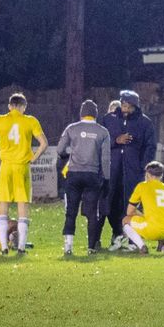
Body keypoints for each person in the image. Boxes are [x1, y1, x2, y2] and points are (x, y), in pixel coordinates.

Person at [0, 92, 47, 256]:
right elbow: (44, 143)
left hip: (6, 167)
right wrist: (33, 158)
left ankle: (4, 248)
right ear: (24, 107)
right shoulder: (30, 121)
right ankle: (21, 248)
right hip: (22, 167)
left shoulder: (0, 120)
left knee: (3, 205)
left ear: (9, 106)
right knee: (22, 205)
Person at [102, 90, 157, 250]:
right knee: (111, 202)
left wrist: (143, 166)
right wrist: (115, 141)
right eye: (123, 104)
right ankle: (117, 233)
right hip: (113, 170)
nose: (125, 108)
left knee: (131, 204)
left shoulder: (144, 122)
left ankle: (133, 238)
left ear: (135, 106)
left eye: (128, 105)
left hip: (133, 171)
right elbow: (102, 141)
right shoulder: (109, 119)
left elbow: (150, 146)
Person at [55, 100, 112, 255]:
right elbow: (106, 159)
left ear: (81, 113)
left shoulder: (72, 128)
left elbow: (60, 149)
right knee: (93, 212)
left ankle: (68, 247)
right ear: (96, 114)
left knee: (71, 211)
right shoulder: (103, 132)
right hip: (92, 175)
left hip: (73, 174)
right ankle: (91, 247)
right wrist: (106, 179)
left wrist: (68, 154)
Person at [121, 161, 164, 255]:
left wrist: (143, 216)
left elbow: (129, 212)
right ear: (161, 175)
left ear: (147, 174)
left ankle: (142, 247)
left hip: (154, 230)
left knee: (125, 220)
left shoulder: (142, 186)